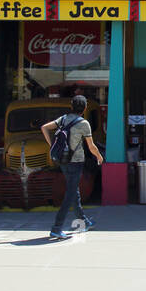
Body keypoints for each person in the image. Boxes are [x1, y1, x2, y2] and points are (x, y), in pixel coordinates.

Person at [42, 94, 103, 239]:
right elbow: (91, 145)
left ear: (71, 106)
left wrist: (52, 145)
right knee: (70, 194)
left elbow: (44, 127)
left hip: (62, 160)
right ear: (85, 108)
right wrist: (99, 156)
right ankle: (57, 228)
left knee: (73, 190)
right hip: (76, 162)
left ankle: (84, 222)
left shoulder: (63, 119)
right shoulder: (84, 124)